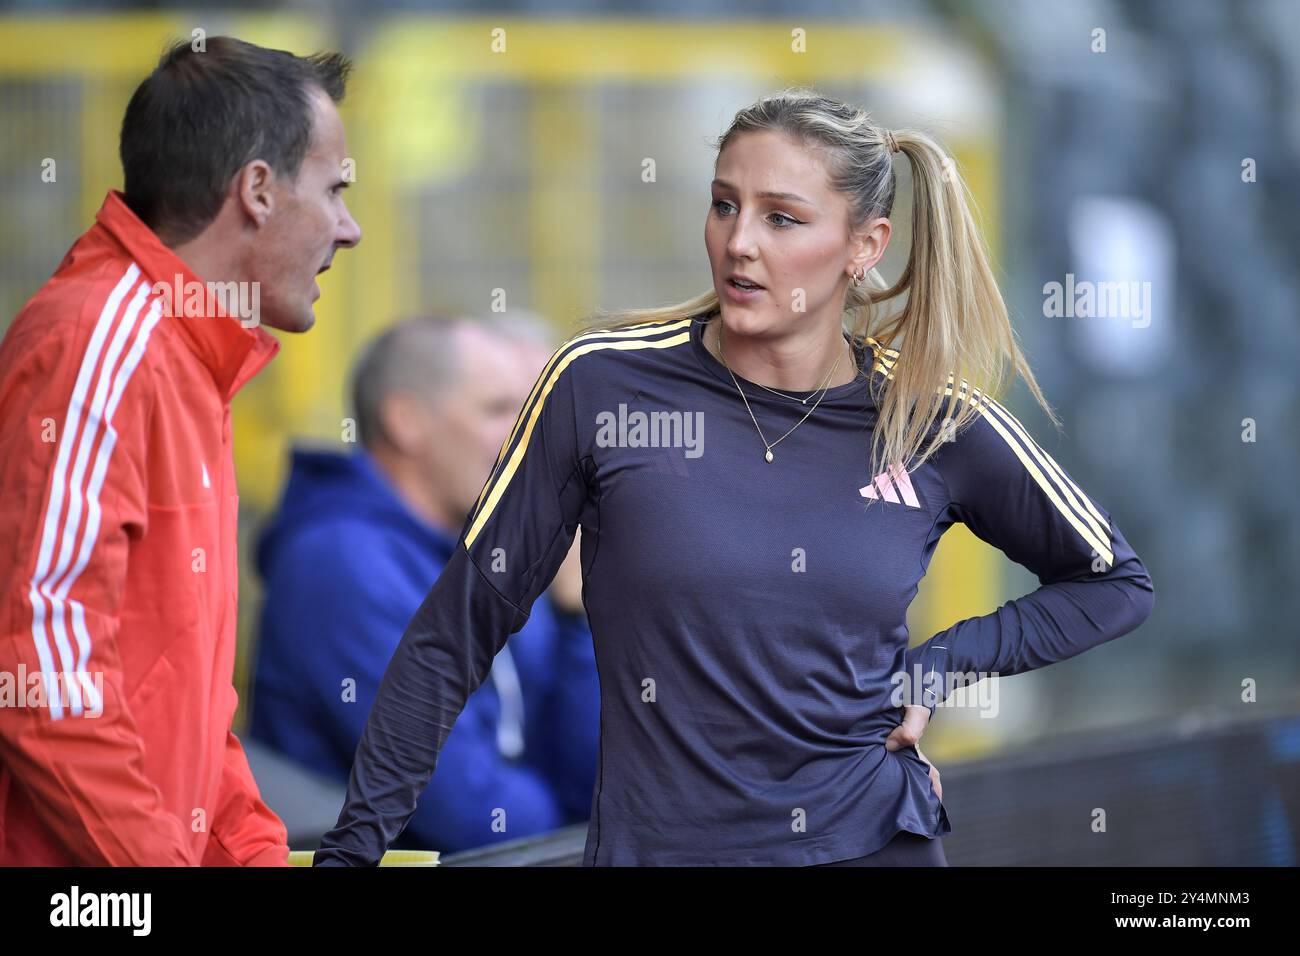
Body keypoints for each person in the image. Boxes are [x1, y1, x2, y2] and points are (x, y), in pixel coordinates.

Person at [312, 89, 1154, 867]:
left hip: (870, 843)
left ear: (865, 247)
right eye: (724, 205)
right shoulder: (598, 385)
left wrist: (937, 667)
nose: (739, 242)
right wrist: (353, 852)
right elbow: (455, 631)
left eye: (783, 218)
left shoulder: (932, 414)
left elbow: (1114, 581)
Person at [0, 36, 361, 865]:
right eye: (336, 190)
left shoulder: (185, 358)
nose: (352, 229)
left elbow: (187, 718)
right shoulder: (100, 341)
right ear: (258, 191)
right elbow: (42, 675)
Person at [250, 315, 599, 853]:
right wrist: (582, 825)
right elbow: (470, 815)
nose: (530, 434)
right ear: (406, 421)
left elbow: (595, 773)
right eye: (499, 409)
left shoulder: (488, 546)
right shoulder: (342, 563)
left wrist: (577, 614)